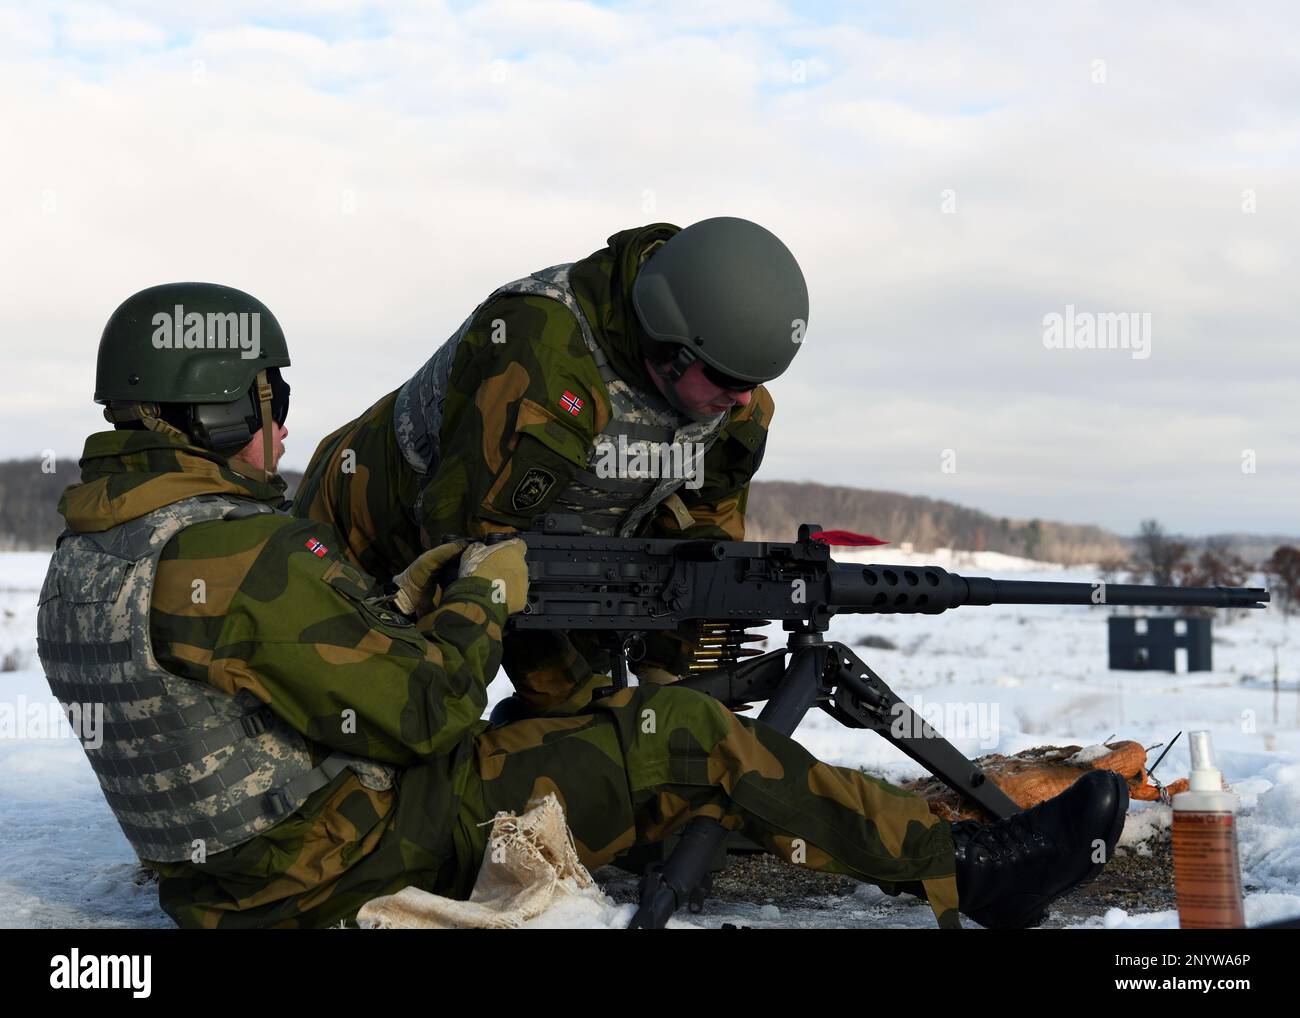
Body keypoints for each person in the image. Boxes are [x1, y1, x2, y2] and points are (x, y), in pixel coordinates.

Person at [35, 281, 1132, 930]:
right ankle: (970, 873)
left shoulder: (91, 553)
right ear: (230, 409)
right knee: (682, 733)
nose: (282, 429)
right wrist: (485, 595)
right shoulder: (238, 551)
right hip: (337, 868)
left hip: (225, 887)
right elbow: (423, 714)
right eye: (273, 401)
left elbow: (286, 694)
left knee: (579, 736)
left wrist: (404, 615)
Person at [294, 217, 803, 713]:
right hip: (365, 546)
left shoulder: (737, 401)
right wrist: (572, 700)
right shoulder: (543, 354)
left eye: (754, 381)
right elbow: (475, 544)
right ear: (671, 348)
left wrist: (667, 666)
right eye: (727, 380)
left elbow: (704, 538)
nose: (743, 398)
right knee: (385, 719)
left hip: (564, 559)